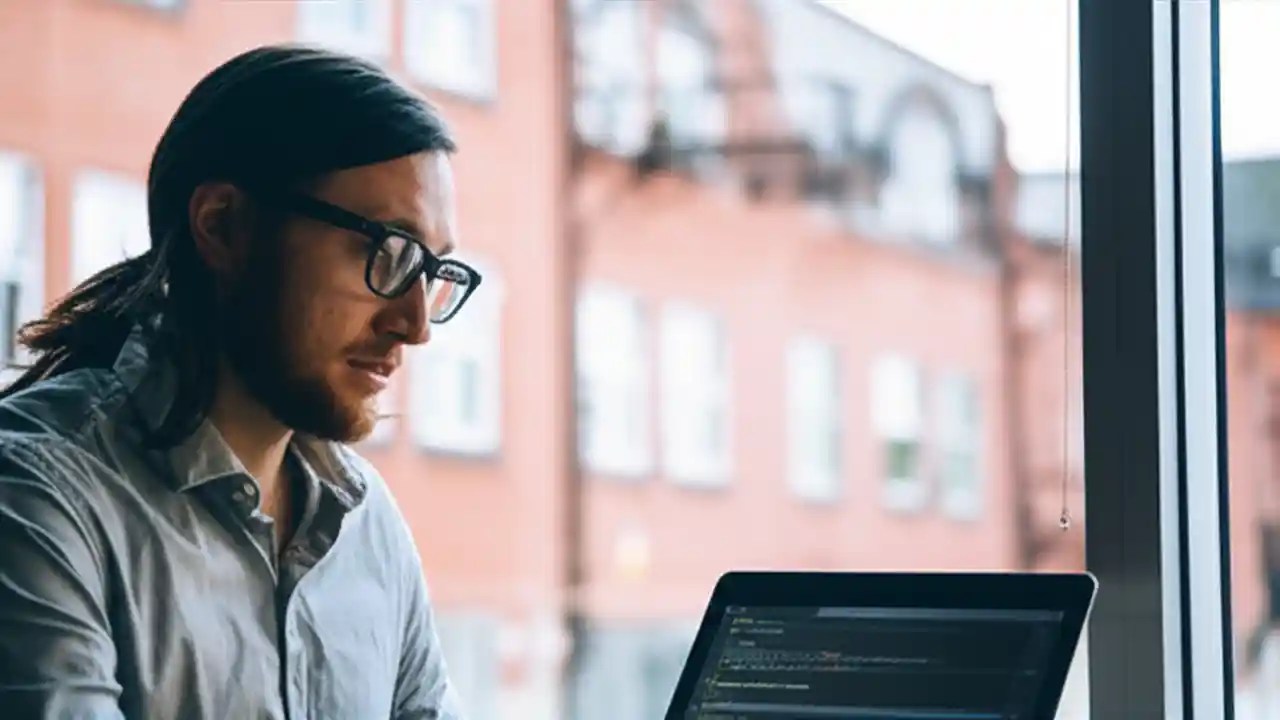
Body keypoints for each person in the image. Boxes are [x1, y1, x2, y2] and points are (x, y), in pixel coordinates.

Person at [0, 44, 478, 719]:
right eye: (387, 253)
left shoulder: (369, 525)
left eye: (432, 271)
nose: (414, 323)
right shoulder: (36, 501)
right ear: (223, 226)